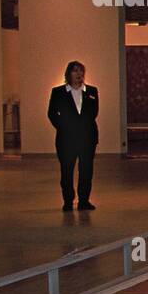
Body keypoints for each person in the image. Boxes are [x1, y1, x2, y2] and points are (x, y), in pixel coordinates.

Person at [47, 60, 99, 210]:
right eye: (75, 71)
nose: (79, 74)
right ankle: (68, 200)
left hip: (87, 138)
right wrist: (63, 127)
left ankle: (84, 200)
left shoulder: (91, 91)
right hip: (66, 139)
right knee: (67, 170)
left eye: (81, 71)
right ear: (68, 74)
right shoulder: (58, 92)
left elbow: (93, 113)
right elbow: (51, 113)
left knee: (86, 170)